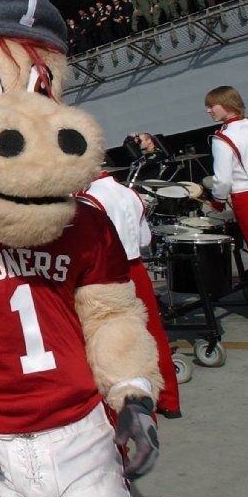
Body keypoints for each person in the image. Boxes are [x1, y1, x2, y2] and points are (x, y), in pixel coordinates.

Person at [77, 171, 181, 417]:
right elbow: (145, 239)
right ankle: (170, 399)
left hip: (110, 273)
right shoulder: (131, 194)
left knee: (113, 339)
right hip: (137, 268)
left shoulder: (88, 199)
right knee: (154, 332)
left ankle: (123, 406)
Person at [206, 86, 248, 243]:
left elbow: (223, 180)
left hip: (246, 198)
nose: (208, 110)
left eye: (211, 105)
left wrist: (217, 203)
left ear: (226, 103)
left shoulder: (222, 138)